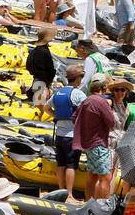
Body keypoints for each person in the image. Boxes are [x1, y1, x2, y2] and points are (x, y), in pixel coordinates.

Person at [74, 76, 118, 199]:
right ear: (103, 88)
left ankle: (89, 203)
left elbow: (74, 118)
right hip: (98, 143)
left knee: (92, 175)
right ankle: (101, 206)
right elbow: (111, 122)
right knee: (105, 177)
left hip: (88, 143)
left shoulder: (86, 100)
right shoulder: (101, 102)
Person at [48, 66, 87, 194]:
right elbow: (87, 109)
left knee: (61, 164)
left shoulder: (58, 92)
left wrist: (56, 117)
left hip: (59, 135)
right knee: (71, 165)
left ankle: (60, 190)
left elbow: (46, 107)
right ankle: (69, 193)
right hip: (72, 136)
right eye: (81, 77)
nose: (81, 80)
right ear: (77, 79)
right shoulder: (78, 94)